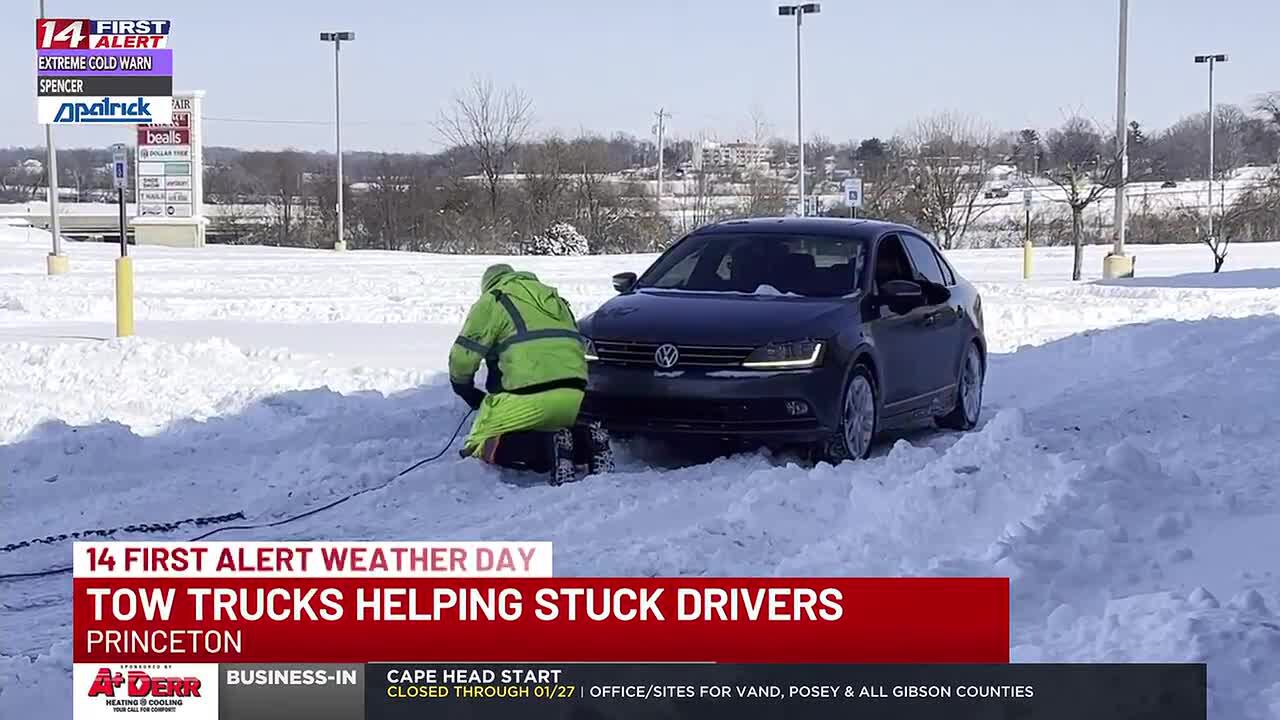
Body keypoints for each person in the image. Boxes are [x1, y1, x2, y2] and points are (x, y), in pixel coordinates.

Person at [449, 263, 613, 485]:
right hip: (574, 394)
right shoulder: (554, 300)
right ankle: (587, 442)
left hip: (528, 395)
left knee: (480, 446)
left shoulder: (494, 299)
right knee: (552, 427)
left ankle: (547, 447)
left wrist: (464, 387)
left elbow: (464, 356)